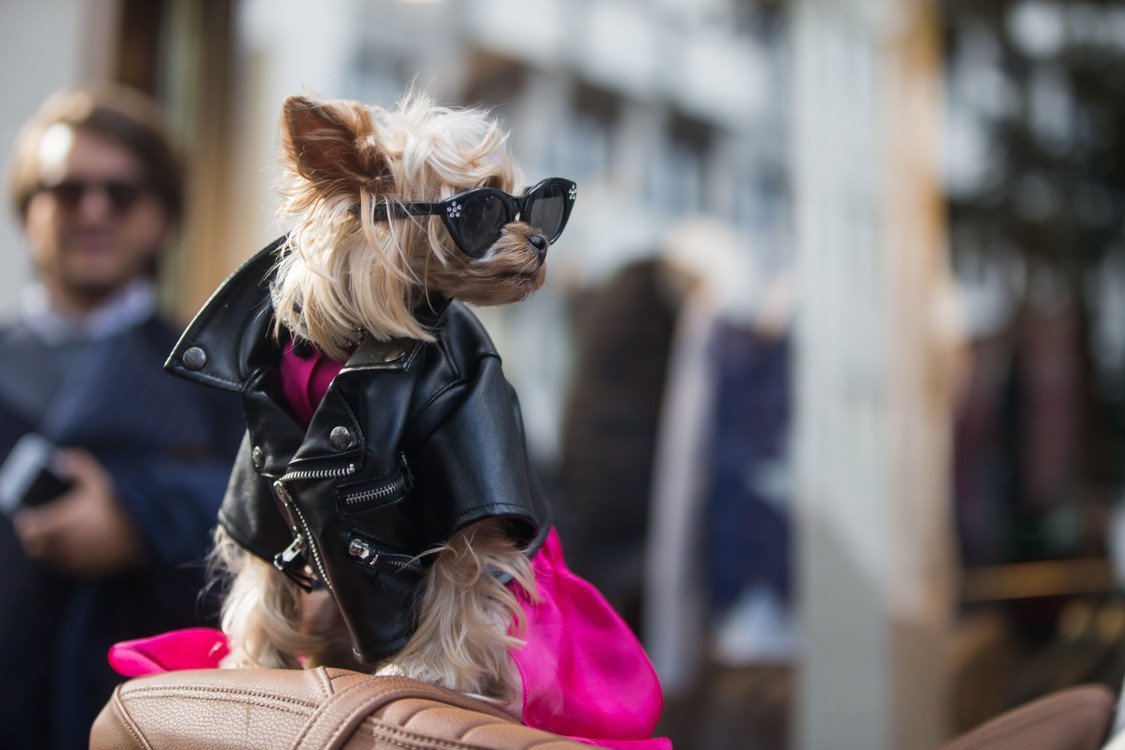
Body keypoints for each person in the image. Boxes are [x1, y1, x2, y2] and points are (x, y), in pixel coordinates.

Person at [0, 85, 244, 749]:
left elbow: (271, 515)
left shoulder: (216, 378)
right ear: (30, 211)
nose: (94, 210)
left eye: (122, 191)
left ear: (162, 218)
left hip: (141, 720)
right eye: (67, 189)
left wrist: (136, 516)